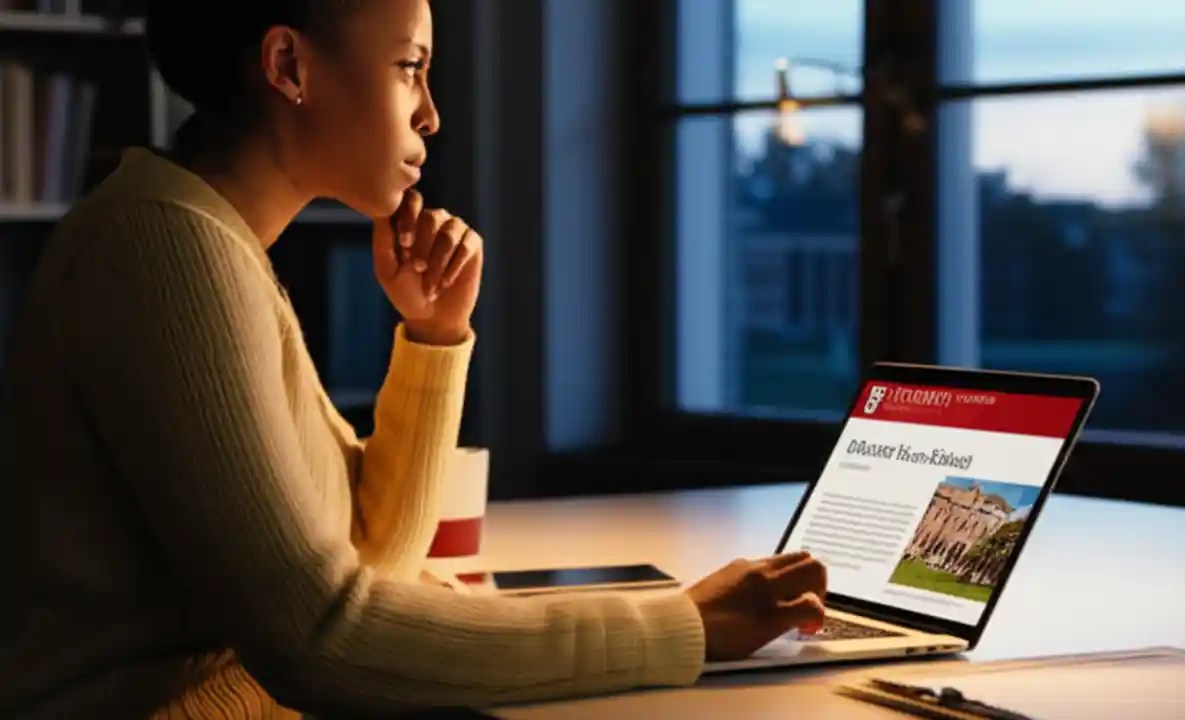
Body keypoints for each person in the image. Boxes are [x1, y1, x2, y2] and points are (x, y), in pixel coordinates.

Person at [0, 0, 828, 717]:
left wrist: (432, 338)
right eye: (409, 67)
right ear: (288, 65)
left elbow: (371, 562)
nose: (430, 113)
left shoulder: (214, 243)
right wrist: (680, 627)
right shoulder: (168, 251)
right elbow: (323, 640)